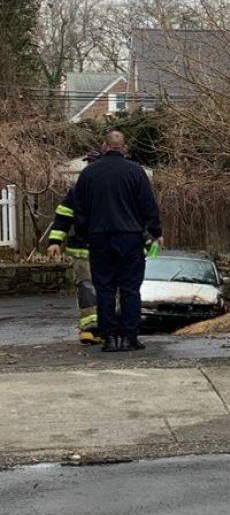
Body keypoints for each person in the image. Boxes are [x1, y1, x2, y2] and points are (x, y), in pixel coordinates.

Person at [73, 131, 163, 352]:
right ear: (124, 147)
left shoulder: (89, 174)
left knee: (104, 290)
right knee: (130, 290)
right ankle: (130, 337)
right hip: (130, 238)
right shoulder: (135, 172)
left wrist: (85, 235)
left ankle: (110, 338)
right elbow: (147, 205)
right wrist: (155, 231)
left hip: (100, 238)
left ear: (104, 146)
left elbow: (80, 210)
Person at [46, 151, 103, 344]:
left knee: (100, 289)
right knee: (89, 289)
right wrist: (55, 241)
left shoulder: (99, 187)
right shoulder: (78, 190)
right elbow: (63, 215)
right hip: (88, 250)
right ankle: (90, 328)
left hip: (99, 249)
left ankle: (103, 327)